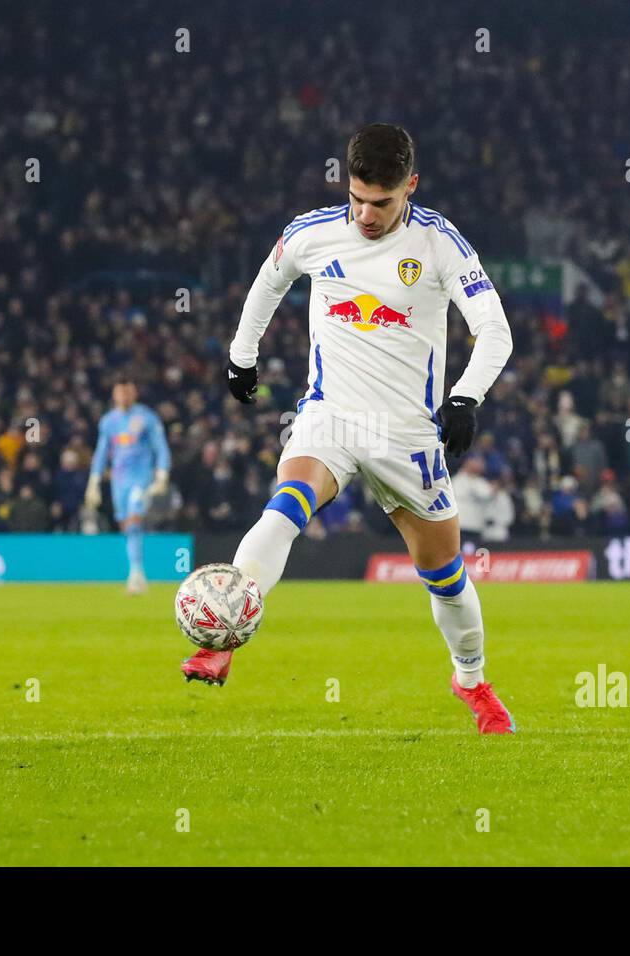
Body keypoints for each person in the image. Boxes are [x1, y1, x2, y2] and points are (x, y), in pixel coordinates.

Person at [188, 123, 516, 734]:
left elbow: (495, 331)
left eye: (381, 202)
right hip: (330, 415)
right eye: (357, 198)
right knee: (282, 510)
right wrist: (241, 355)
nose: (365, 214)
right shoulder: (312, 232)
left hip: (407, 435)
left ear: (410, 186)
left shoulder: (441, 245)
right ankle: (222, 640)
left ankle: (470, 679)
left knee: (445, 577)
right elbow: (269, 281)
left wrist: (466, 398)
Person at [84, 377, 170, 594]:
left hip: (140, 479)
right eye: (120, 392)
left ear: (134, 394)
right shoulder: (108, 421)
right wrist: (93, 482)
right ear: (114, 395)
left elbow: (160, 447)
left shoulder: (146, 417)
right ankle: (137, 572)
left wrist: (162, 474)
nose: (124, 396)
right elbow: (102, 452)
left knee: (133, 522)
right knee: (126, 526)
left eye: (128, 392)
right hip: (118, 481)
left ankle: (136, 575)